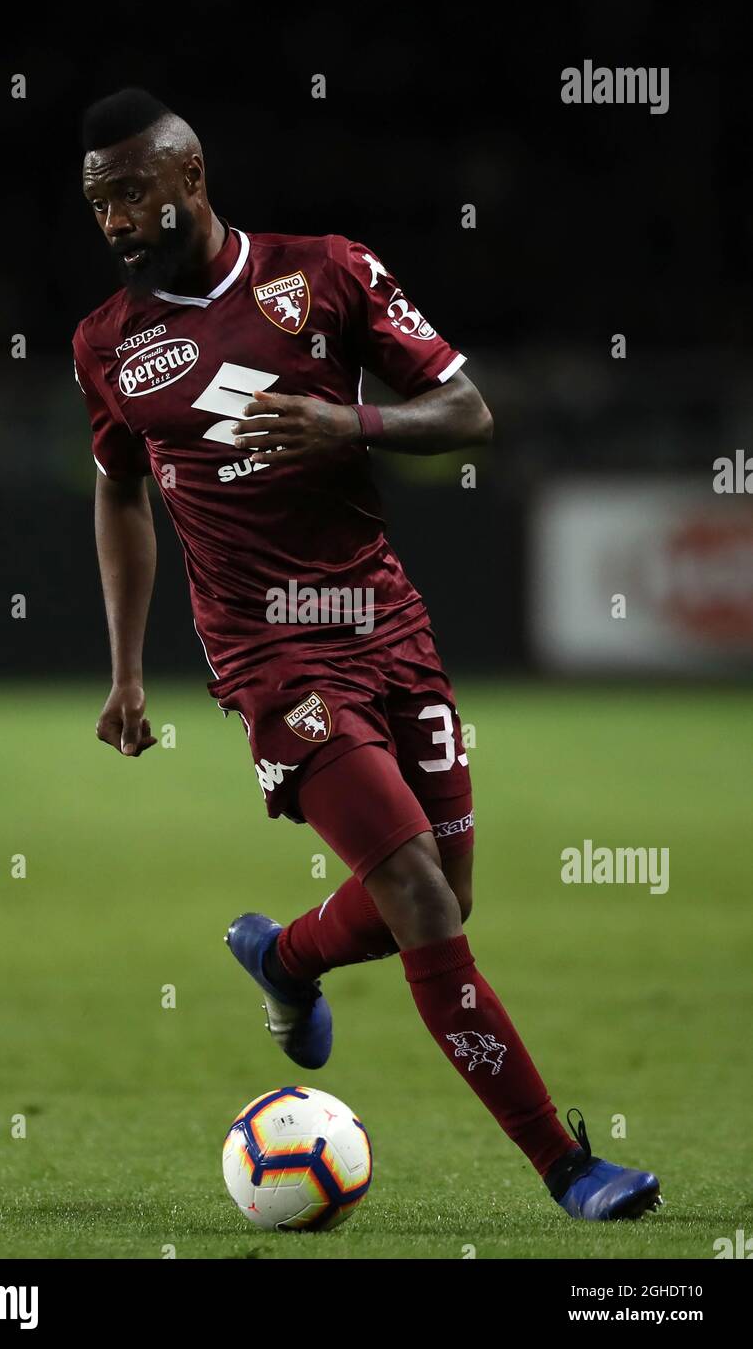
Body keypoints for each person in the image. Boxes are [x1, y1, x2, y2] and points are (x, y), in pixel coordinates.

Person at [74, 87, 661, 1221]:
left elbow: (466, 410)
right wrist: (126, 670)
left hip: (384, 622)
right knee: (416, 900)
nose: (111, 222)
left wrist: (350, 425)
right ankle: (567, 1167)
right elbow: (118, 493)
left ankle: (288, 957)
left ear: (190, 176)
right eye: (96, 204)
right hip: (268, 658)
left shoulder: (326, 273)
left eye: (130, 193)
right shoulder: (107, 344)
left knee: (447, 893)